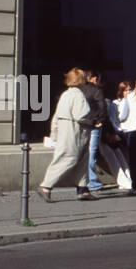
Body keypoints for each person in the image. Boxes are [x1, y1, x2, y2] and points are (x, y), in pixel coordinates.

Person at [38, 67, 96, 202]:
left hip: (66, 129)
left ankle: (83, 189)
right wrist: (92, 120)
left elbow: (56, 117)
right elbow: (81, 115)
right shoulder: (78, 95)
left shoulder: (66, 94)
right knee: (69, 158)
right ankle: (46, 186)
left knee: (81, 160)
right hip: (76, 131)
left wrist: (54, 133)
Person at [81, 69, 113, 195]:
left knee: (84, 152)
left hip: (82, 125)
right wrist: (99, 121)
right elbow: (102, 108)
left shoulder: (79, 91)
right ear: (94, 78)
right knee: (91, 152)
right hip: (94, 125)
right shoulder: (96, 91)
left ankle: (84, 181)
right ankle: (92, 181)